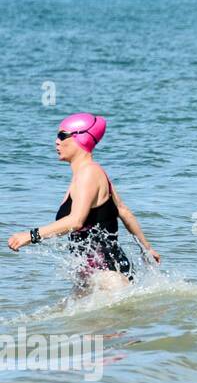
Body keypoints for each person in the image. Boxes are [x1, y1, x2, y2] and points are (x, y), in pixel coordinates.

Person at [7, 113, 160, 294]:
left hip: (109, 279)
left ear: (82, 137)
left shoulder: (89, 174)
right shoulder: (88, 173)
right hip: (92, 278)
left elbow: (76, 221)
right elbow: (123, 211)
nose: (56, 141)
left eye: (62, 135)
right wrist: (147, 248)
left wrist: (31, 235)